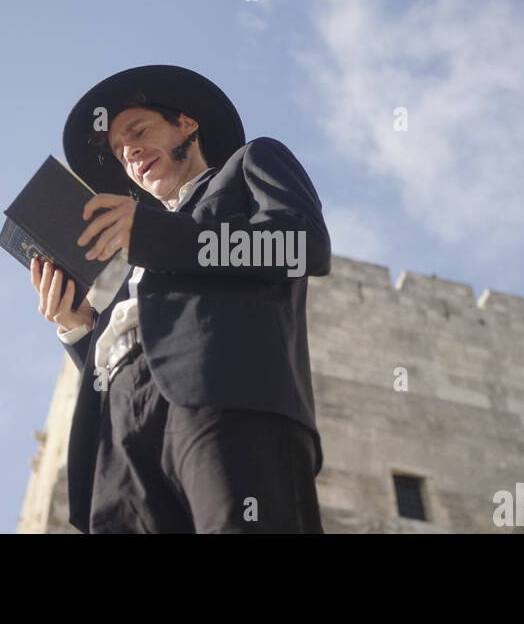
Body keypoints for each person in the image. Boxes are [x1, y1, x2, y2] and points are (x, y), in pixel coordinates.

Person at [29, 65, 331, 533]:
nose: (128, 152)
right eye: (118, 151)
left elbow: (300, 246)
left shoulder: (250, 164)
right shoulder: (139, 258)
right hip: (118, 445)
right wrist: (79, 324)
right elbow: (136, 352)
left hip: (224, 401)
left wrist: (153, 233)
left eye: (138, 131)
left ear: (186, 124)